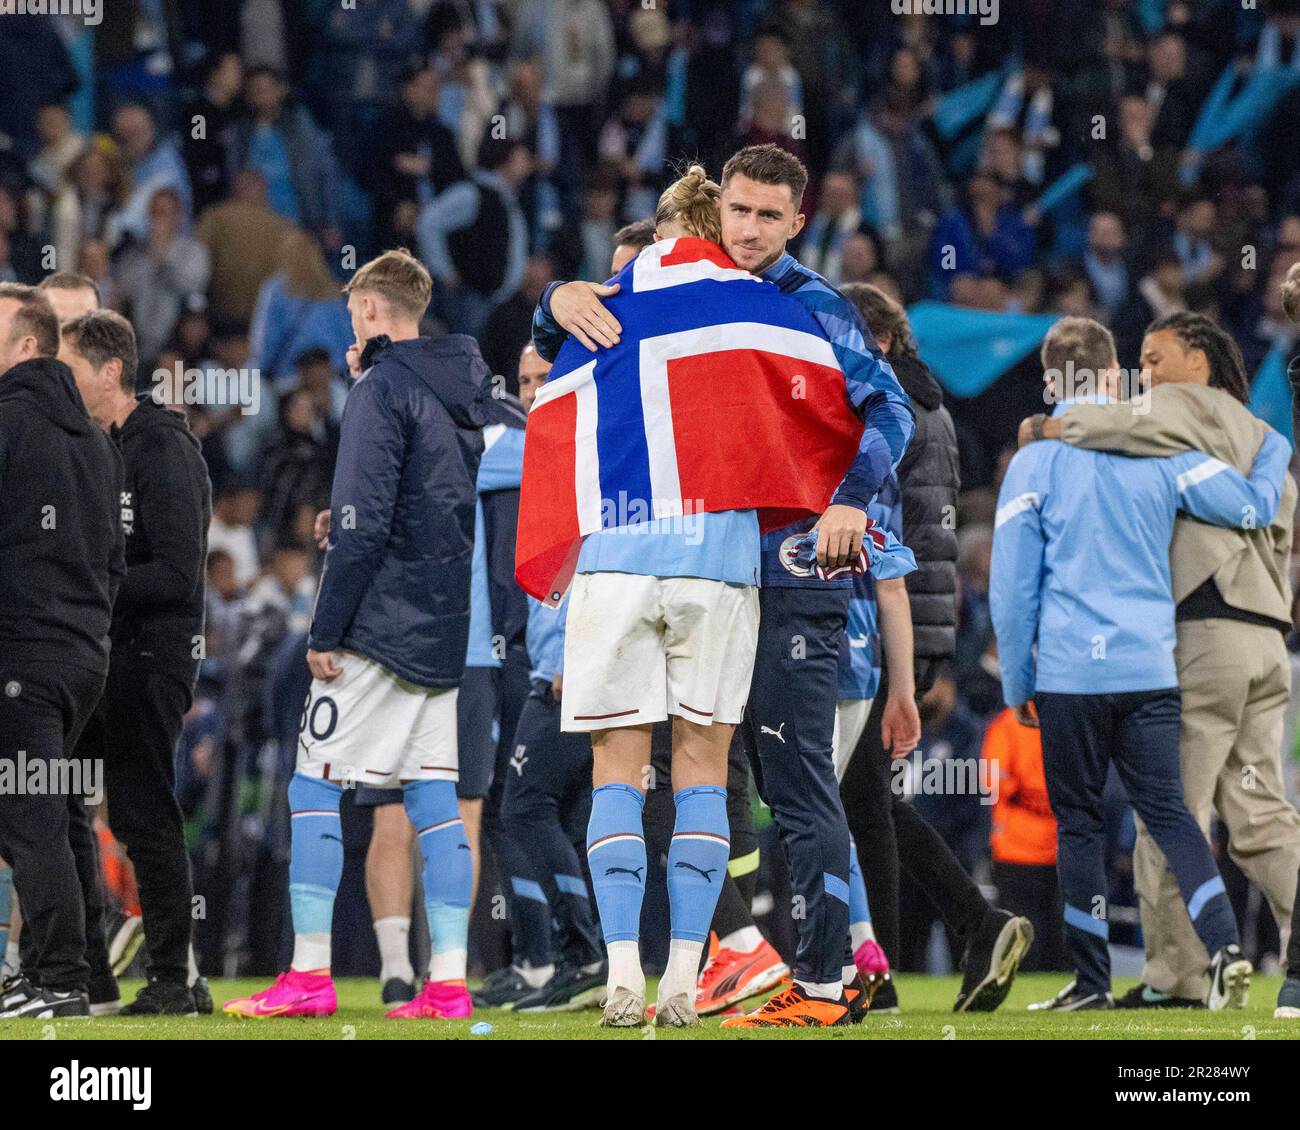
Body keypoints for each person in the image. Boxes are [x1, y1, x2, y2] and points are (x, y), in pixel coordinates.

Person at [531, 146, 915, 1028]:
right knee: (706, 782)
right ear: (719, 212)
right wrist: (556, 296)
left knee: (793, 780)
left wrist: (851, 501)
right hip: (714, 569)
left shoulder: (811, 306)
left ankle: (826, 984)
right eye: (736, 211)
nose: (747, 230)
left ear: (796, 223)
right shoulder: (689, 288)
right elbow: (562, 346)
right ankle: (735, 963)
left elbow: (889, 409)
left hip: (793, 573)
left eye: (766, 217)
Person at [992, 316, 1286, 1011]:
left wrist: (1016, 682)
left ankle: (1092, 982)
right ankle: (1225, 946)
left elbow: (1011, 590)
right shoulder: (1162, 451)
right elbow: (1252, 505)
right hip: (1151, 666)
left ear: (1049, 382)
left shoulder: (1034, 462)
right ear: (1114, 374)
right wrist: (1273, 445)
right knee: (1176, 816)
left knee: (1082, 824)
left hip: (1069, 673)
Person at [223, 249, 486, 1021]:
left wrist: (325, 624)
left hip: (378, 626)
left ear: (371, 311)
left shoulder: (381, 387)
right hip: (442, 631)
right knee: (435, 799)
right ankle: (447, 982)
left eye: (352, 312)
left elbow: (364, 529)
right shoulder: (461, 388)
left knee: (313, 787)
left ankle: (307, 974)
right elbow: (418, 507)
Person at [837, 283, 1033, 1014]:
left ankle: (882, 973)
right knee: (871, 801)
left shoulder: (888, 407)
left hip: (885, 621)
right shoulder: (932, 405)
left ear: (878, 342)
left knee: (863, 803)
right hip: (915, 624)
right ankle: (969, 927)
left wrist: (902, 656)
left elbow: (895, 533)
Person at [62, 310, 212, 1016]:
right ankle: (95, 968)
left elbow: (178, 574)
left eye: (73, 371)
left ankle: (172, 981)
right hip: (111, 657)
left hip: (153, 658)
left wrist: (91, 578)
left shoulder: (163, 447)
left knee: (144, 812)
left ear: (111, 370)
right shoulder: (103, 446)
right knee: (60, 794)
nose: (67, 385)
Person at [0, 285, 124, 1019]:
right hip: (82, 657)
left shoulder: (9, 422)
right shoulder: (93, 441)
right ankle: (65, 972)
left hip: (21, 654)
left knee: (32, 814)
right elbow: (113, 560)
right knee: (45, 811)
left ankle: (56, 979)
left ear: (27, 346)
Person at [498, 345, 606, 1012]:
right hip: (551, 665)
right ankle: (580, 961)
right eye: (526, 382)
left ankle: (584, 953)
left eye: (545, 379)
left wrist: (576, 653)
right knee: (560, 817)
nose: (533, 392)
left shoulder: (583, 455)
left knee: (522, 805)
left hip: (572, 669)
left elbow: (598, 558)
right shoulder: (545, 455)